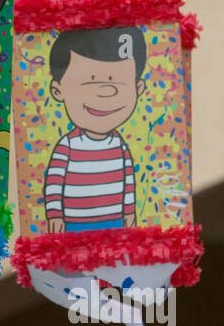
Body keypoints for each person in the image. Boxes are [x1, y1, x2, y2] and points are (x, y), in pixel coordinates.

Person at [44, 27, 147, 232]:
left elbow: (128, 183)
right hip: (74, 226)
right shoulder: (67, 146)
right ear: (58, 90)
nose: (105, 92)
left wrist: (128, 213)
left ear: (138, 89)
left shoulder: (120, 145)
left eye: (116, 83)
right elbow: (54, 182)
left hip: (114, 224)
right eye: (90, 81)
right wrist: (55, 215)